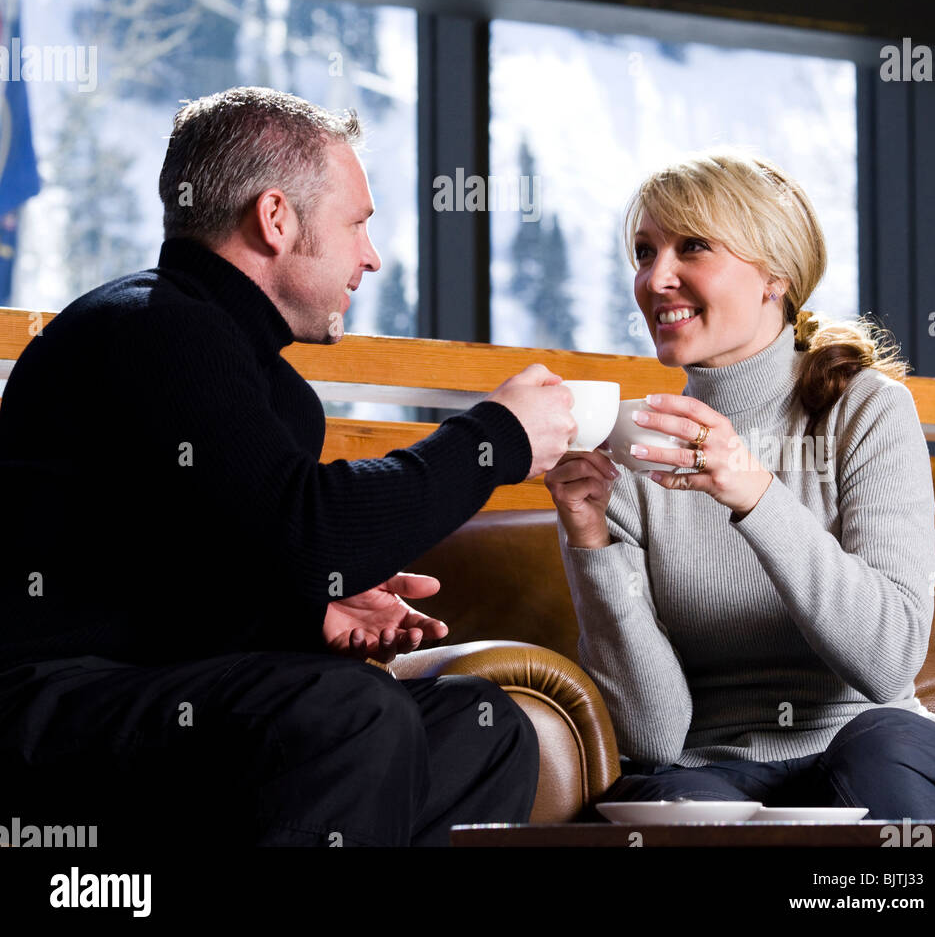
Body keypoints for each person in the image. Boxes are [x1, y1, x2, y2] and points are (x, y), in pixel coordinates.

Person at [0, 86, 577, 847]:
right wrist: (494, 439)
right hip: (51, 704)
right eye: (357, 224)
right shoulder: (152, 328)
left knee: (488, 728)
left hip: (156, 696)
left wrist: (309, 610)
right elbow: (308, 528)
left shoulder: (264, 382)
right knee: (348, 711)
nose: (370, 257)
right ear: (275, 219)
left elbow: (204, 562)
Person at [546, 147, 935, 822]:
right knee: (673, 803)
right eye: (643, 251)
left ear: (774, 274)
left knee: (875, 748)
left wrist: (755, 494)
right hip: (719, 773)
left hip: (875, 754)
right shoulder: (632, 454)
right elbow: (655, 737)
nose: (657, 278)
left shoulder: (866, 411)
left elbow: (889, 662)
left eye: (692, 247)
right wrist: (589, 537)